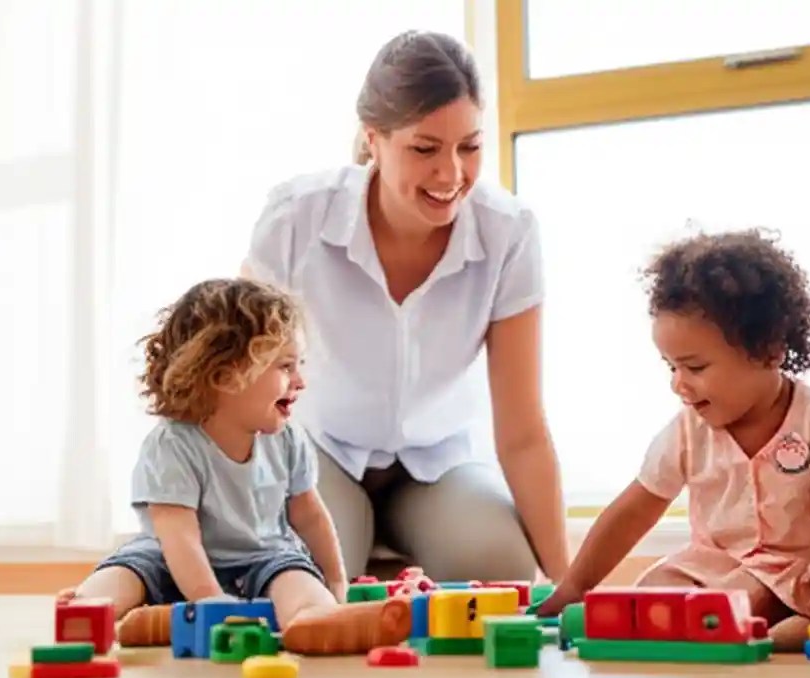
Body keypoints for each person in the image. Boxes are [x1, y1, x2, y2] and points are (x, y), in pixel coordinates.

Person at [241, 30, 568, 584]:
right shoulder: (296, 218)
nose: (451, 174)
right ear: (374, 139)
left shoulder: (509, 233)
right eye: (425, 148)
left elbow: (522, 432)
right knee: (304, 573)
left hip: (438, 463)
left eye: (469, 146)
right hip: (321, 452)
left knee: (501, 569)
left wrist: (569, 584)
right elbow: (240, 384)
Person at [535, 228, 810, 651]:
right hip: (723, 566)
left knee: (751, 596)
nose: (678, 384)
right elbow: (634, 509)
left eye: (694, 367)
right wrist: (577, 583)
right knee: (656, 588)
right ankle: (751, 627)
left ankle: (788, 627)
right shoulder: (687, 431)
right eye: (670, 367)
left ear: (768, 351)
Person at [57, 278, 411, 655]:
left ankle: (315, 618)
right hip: (172, 559)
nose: (301, 382)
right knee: (129, 568)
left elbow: (310, 517)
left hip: (262, 556)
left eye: (299, 365)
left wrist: (335, 584)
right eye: (286, 367)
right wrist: (210, 602)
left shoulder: (289, 440)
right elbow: (180, 537)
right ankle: (90, 608)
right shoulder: (173, 446)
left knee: (294, 573)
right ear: (225, 375)